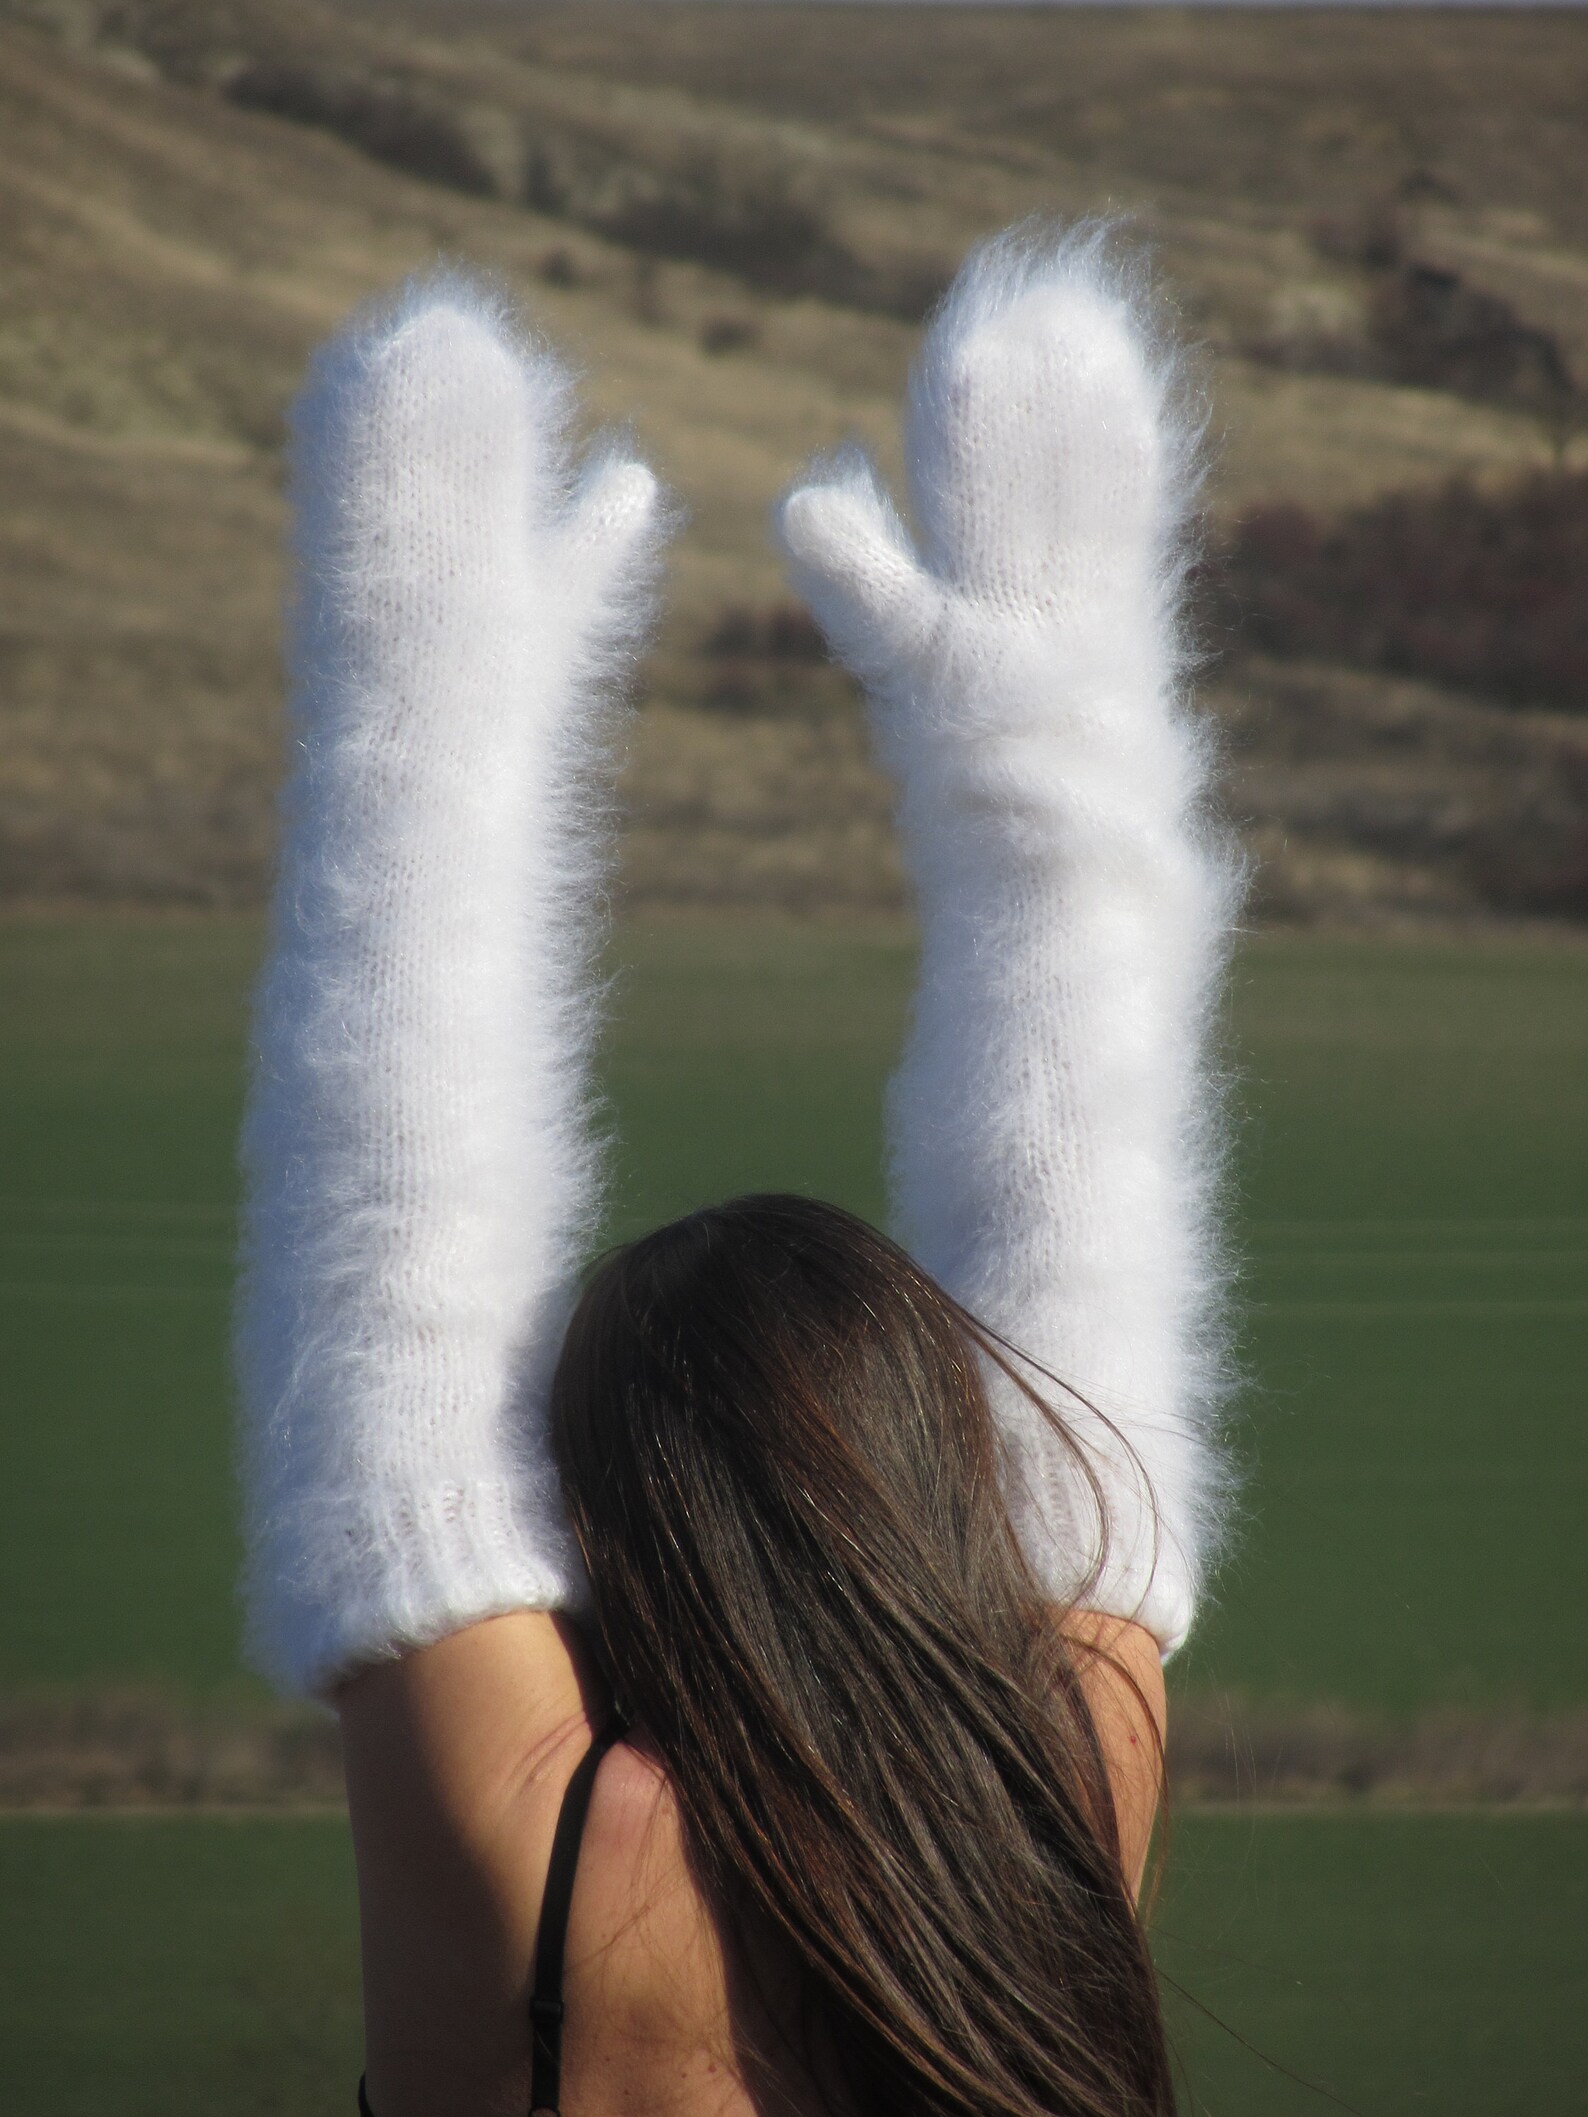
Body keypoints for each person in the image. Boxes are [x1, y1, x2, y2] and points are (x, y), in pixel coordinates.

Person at [234, 220, 1242, 2117]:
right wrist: (1044, 754)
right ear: (952, 1478)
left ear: (585, 1511)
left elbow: (395, 1356)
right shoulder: (1031, 1846)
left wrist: (431, 715)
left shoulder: (570, 1881)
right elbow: (1084, 1319)